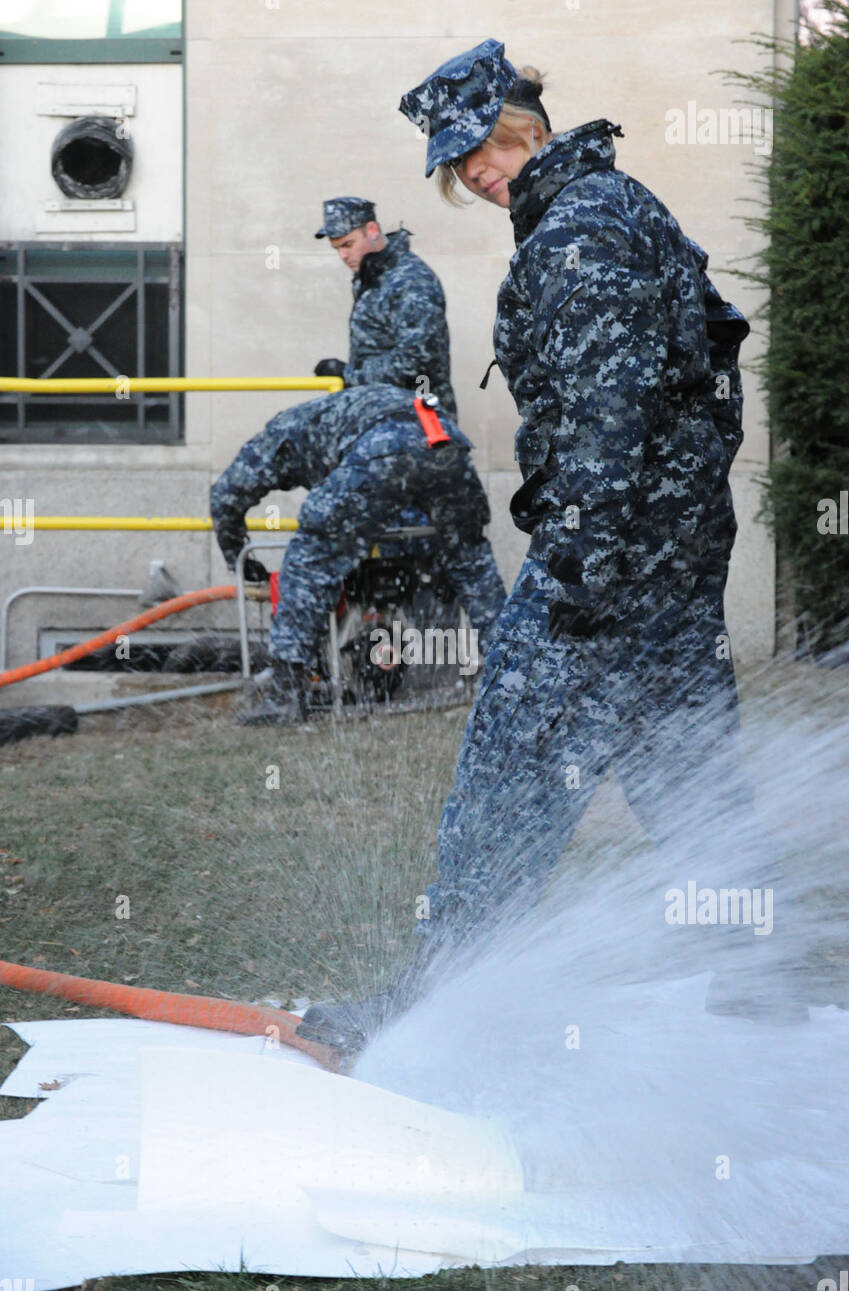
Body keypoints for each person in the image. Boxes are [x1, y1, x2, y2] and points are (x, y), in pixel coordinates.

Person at [297, 39, 758, 1053]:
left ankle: (437, 1000)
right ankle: (754, 980)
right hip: (669, 562)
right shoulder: (610, 202)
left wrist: (580, 568)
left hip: (606, 567)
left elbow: (612, 411)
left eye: (484, 147)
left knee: (506, 777)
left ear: (525, 124)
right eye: (460, 164)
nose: (476, 172)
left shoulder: (576, 231)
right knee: (690, 776)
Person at [209, 383, 506, 724]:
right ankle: (515, 679)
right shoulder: (345, 411)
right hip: (446, 443)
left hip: (384, 449)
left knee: (310, 557)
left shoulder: (282, 433)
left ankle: (286, 693)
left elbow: (225, 495)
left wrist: (239, 559)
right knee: (471, 565)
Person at [313, 196, 457, 417]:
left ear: (371, 230)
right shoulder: (371, 274)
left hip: (417, 423)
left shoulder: (411, 280)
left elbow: (416, 361)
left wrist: (348, 375)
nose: (343, 255)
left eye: (348, 244)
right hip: (382, 416)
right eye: (337, 248)